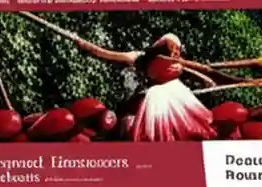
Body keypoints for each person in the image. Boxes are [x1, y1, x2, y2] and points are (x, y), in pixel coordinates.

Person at [74, 33, 226, 142]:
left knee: (188, 130)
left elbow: (193, 71)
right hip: (155, 97)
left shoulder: (176, 61)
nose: (176, 52)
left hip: (178, 94)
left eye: (177, 49)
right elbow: (107, 54)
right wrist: (85, 45)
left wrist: (206, 80)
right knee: (158, 134)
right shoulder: (140, 58)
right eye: (172, 48)